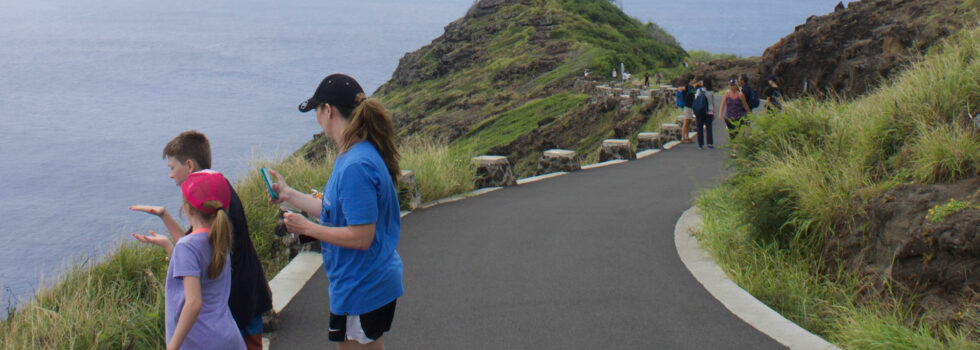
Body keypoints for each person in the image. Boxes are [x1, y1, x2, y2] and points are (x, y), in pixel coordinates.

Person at [269, 73, 403, 349]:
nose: (317, 118)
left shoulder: (355, 166)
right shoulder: (355, 155)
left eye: (317, 111)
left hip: (362, 285)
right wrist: (289, 194)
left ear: (328, 111)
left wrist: (307, 228)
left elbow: (361, 236)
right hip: (367, 282)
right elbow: (336, 212)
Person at [130, 131, 272, 350]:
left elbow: (195, 261)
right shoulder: (217, 195)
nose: (170, 175)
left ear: (189, 165)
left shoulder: (215, 201)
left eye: (171, 167)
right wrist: (165, 222)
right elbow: (197, 251)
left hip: (237, 305)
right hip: (228, 317)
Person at [133, 170, 246, 350]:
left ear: (188, 209)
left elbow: (194, 303)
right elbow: (197, 271)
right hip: (226, 336)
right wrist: (169, 246)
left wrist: (172, 347)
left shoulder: (188, 246)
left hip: (199, 341)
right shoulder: (219, 237)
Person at [694, 78, 715, 149]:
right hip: (710, 111)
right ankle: (710, 143)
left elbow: (696, 99)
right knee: (709, 127)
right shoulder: (711, 91)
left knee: (700, 127)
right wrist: (713, 112)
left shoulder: (699, 90)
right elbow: (712, 102)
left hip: (700, 111)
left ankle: (700, 144)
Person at [680, 78, 697, 143]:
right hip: (686, 106)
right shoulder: (687, 87)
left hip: (690, 106)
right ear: (690, 80)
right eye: (694, 79)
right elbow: (682, 89)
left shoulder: (692, 87)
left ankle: (687, 137)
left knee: (689, 122)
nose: (695, 81)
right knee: (686, 122)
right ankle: (683, 138)